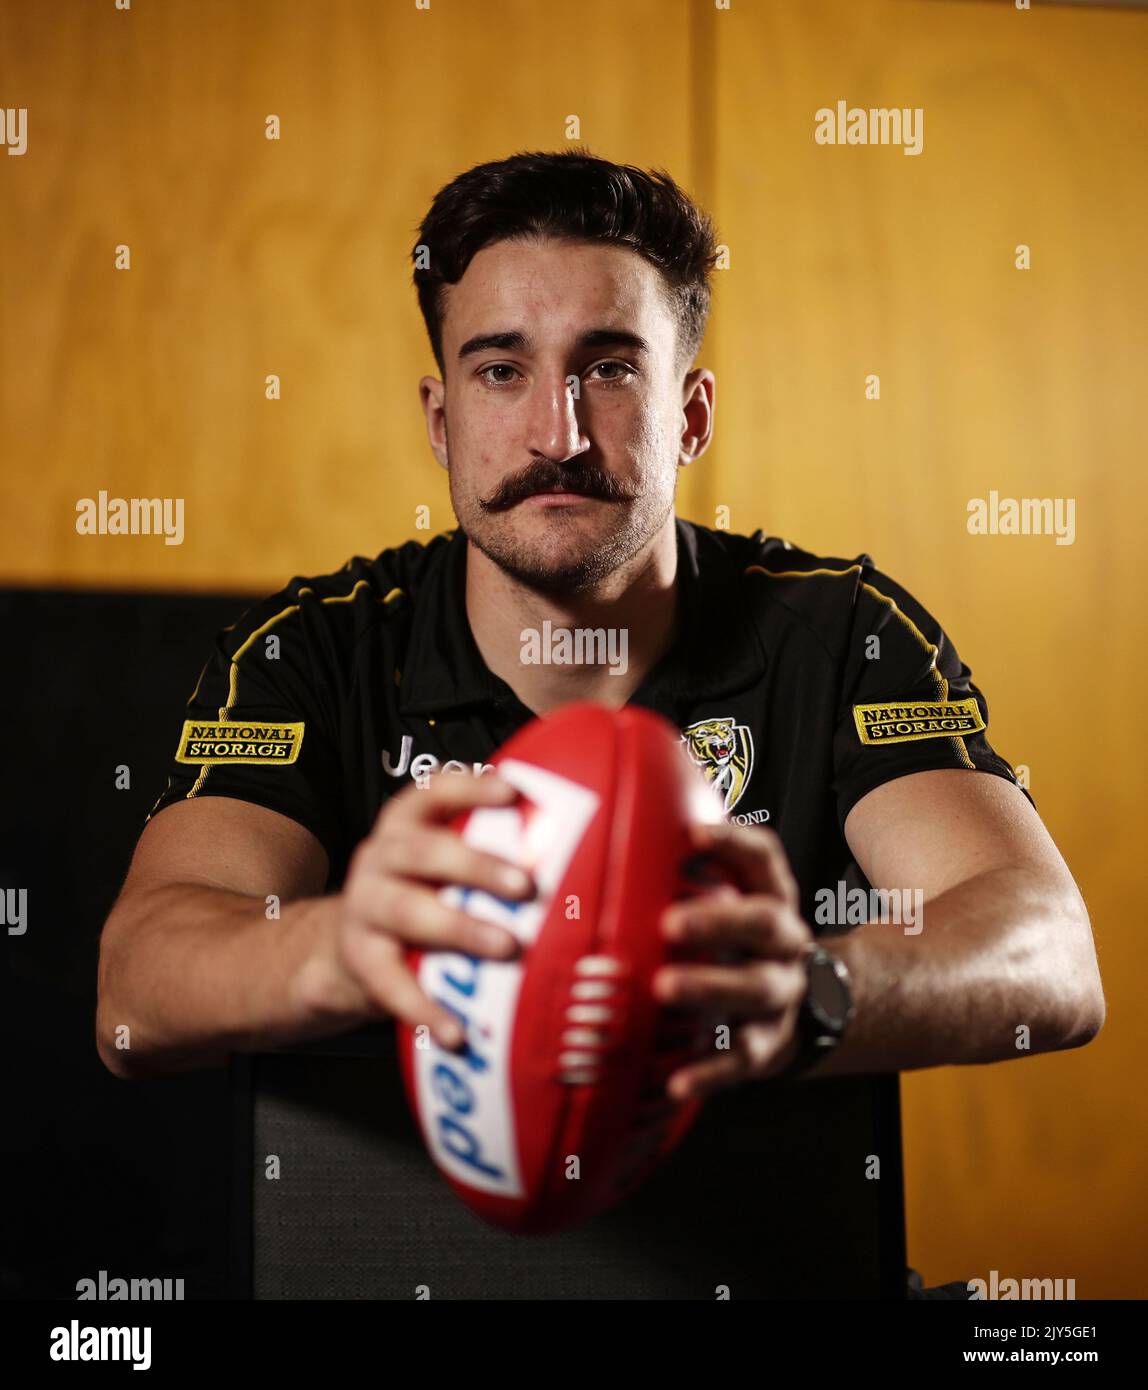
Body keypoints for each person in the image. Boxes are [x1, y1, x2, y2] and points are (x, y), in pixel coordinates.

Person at [95, 149, 1104, 1297]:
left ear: (690, 414)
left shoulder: (840, 628)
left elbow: (1050, 956)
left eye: (609, 368)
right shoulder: (310, 650)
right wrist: (343, 943)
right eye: (498, 371)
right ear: (438, 418)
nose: (555, 433)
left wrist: (807, 994)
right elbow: (133, 993)